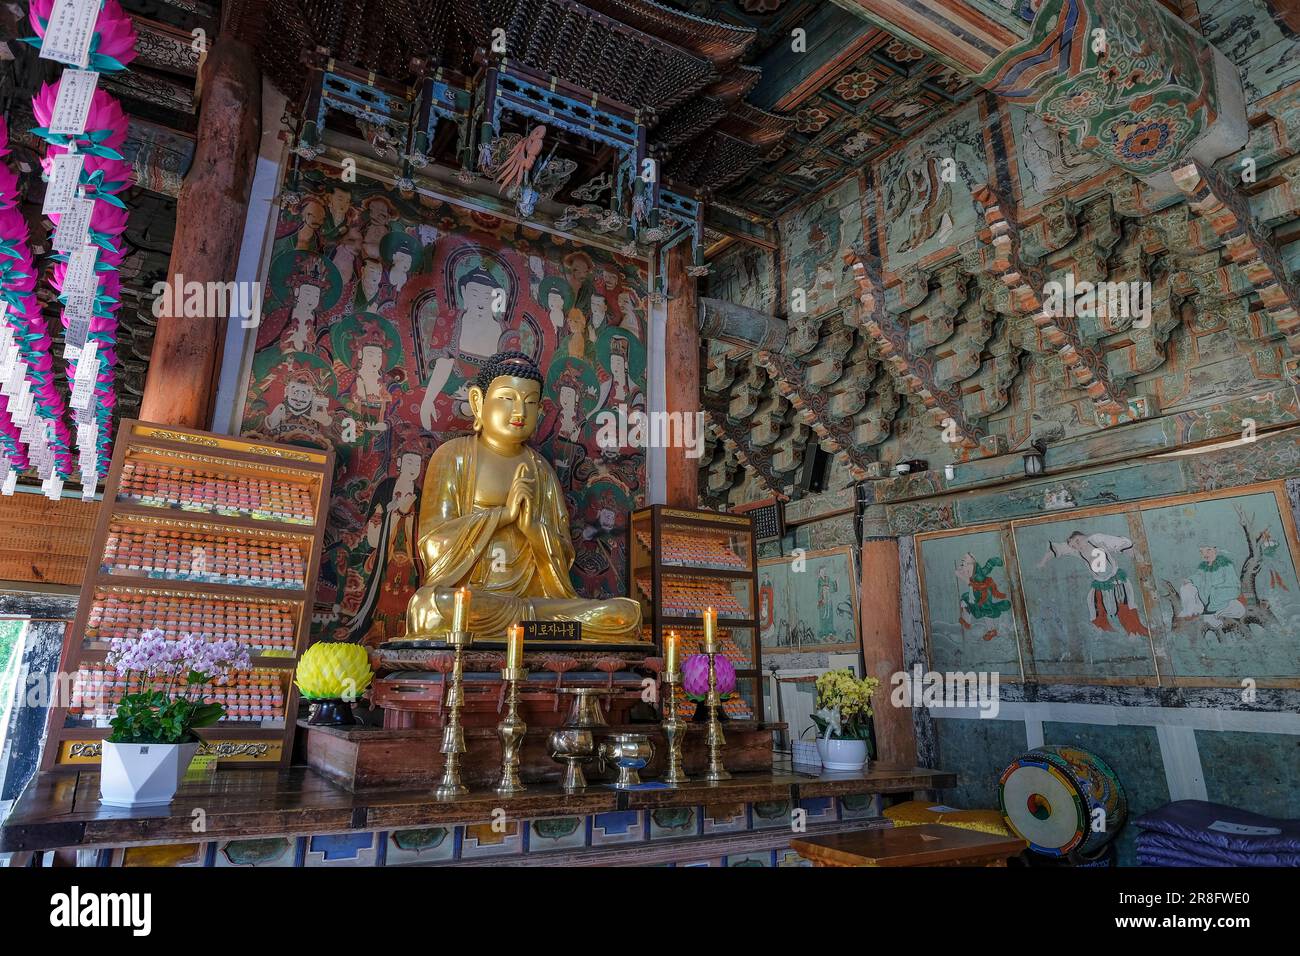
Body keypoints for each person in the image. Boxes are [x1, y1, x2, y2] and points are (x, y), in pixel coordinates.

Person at [404, 351, 642, 642]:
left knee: (624, 614)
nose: (520, 412)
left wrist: (533, 530)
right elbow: (432, 543)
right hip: (473, 602)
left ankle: (527, 628)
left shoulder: (541, 471)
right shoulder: (454, 457)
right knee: (428, 608)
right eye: (507, 398)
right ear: (478, 402)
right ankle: (528, 629)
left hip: (537, 607)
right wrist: (502, 516)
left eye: (530, 403)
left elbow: (562, 555)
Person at [1037, 530, 1150, 638]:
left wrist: (1134, 554)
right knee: (1094, 606)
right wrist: (1043, 562)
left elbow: (1118, 543)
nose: (1077, 545)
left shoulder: (1097, 539)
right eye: (1074, 545)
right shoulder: (1078, 550)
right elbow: (1058, 549)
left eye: (1078, 541)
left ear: (1083, 536)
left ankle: (1135, 631)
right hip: (1100, 583)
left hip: (1116, 580)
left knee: (1124, 606)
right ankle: (1106, 633)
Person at [1178, 546, 1247, 629]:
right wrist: (1189, 581)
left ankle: (1212, 613)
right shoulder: (1203, 566)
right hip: (1204, 600)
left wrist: (1215, 594)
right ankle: (1195, 610)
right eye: (1202, 551)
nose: (1205, 554)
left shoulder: (1225, 565)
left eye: (1208, 550)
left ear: (1215, 550)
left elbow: (1233, 586)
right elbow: (1197, 577)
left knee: (1239, 610)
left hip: (1221, 599)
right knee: (1187, 587)